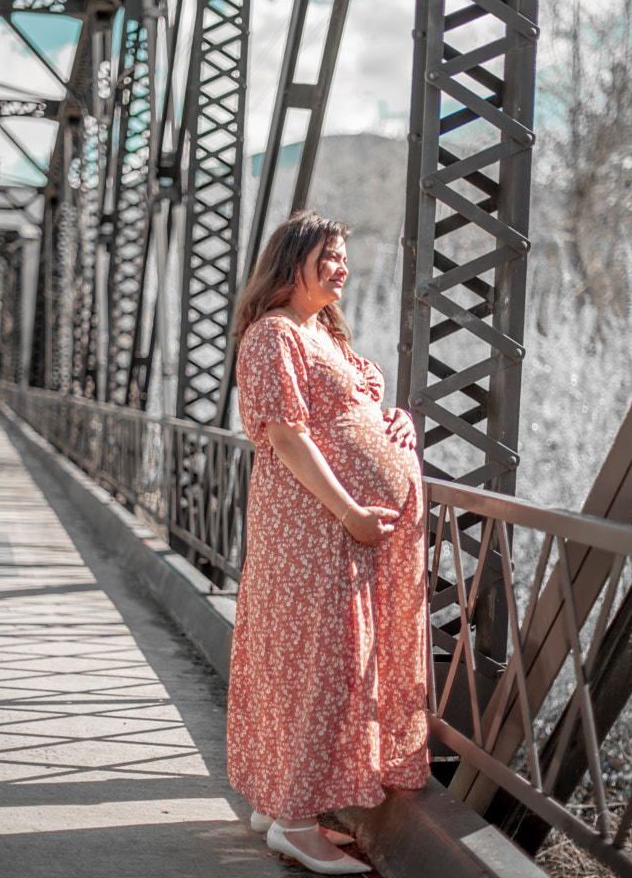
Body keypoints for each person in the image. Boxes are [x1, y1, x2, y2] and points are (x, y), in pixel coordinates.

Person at [227, 211, 430, 875]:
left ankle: (277, 803)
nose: (341, 267)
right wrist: (350, 513)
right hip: (312, 531)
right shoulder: (274, 333)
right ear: (293, 262)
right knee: (313, 663)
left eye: (343, 256)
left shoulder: (322, 334)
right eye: (328, 256)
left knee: (309, 659)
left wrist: (394, 422)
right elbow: (286, 436)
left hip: (333, 533)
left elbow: (347, 412)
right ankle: (293, 824)